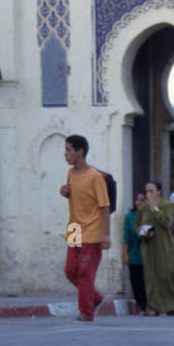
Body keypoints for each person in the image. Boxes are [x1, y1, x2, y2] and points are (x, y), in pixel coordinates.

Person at [59, 134, 110, 322]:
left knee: (85, 273)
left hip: (92, 230)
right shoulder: (70, 174)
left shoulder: (95, 177)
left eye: (68, 150)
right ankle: (95, 298)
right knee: (70, 270)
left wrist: (105, 235)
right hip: (74, 229)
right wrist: (64, 192)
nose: (65, 154)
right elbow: (75, 196)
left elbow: (105, 207)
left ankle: (86, 312)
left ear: (80, 152)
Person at [135, 181, 174, 315]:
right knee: (151, 276)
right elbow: (137, 226)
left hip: (164, 246)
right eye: (147, 191)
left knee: (166, 274)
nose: (148, 194)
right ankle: (152, 307)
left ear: (159, 192)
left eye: (151, 191)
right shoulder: (143, 208)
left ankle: (171, 305)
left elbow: (167, 222)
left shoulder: (167, 206)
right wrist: (144, 232)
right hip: (149, 247)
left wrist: (156, 209)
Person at [123, 190, 148, 313]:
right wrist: (125, 254)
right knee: (135, 282)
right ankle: (141, 304)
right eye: (137, 199)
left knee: (146, 282)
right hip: (134, 254)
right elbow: (126, 237)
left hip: (147, 255)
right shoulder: (129, 217)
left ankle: (147, 306)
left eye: (142, 200)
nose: (139, 202)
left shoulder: (149, 216)